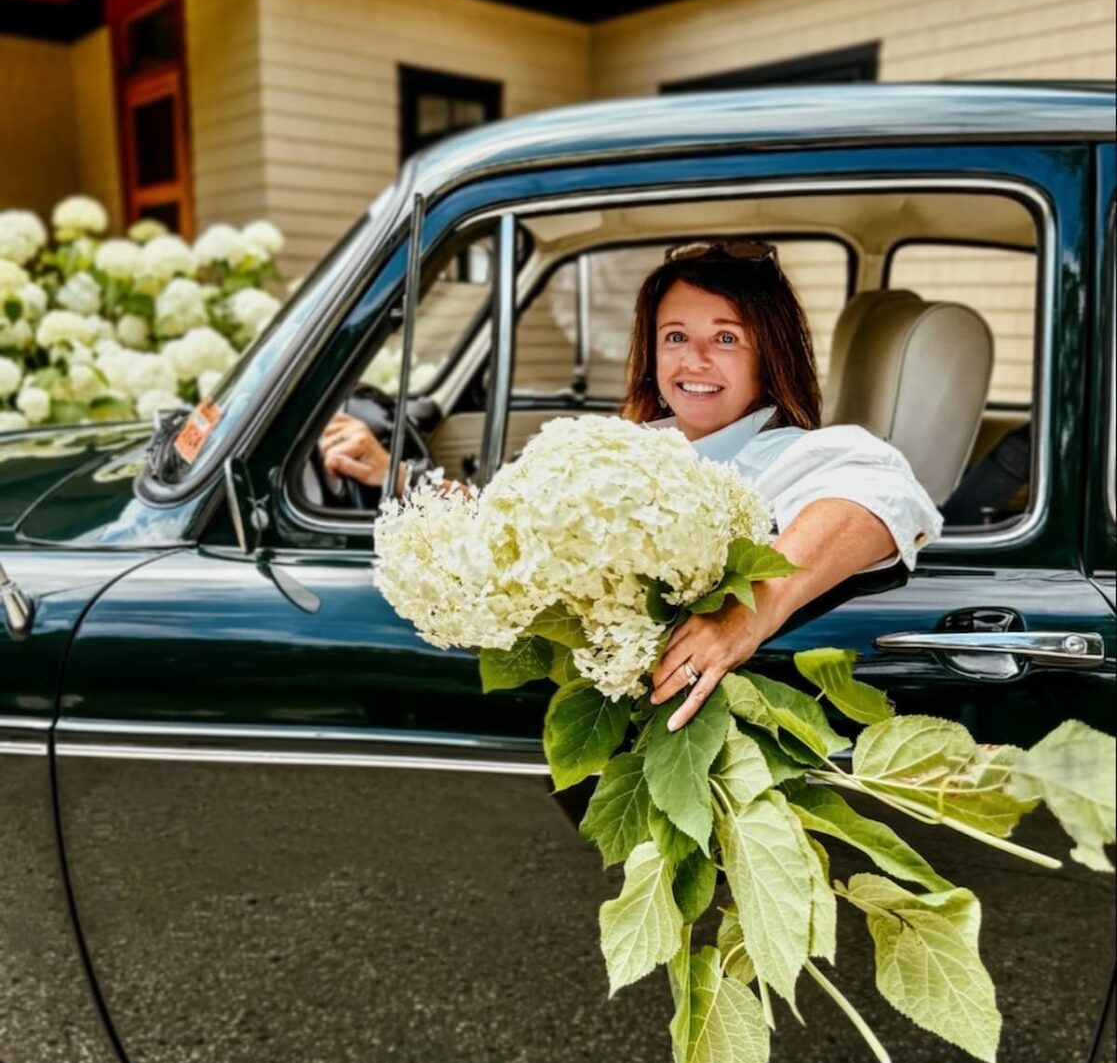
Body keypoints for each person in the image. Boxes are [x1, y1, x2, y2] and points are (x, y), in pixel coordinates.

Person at [319, 238, 942, 731]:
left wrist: (744, 615)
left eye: (725, 338)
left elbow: (879, 498)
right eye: (676, 338)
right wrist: (395, 476)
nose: (694, 360)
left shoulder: (793, 454)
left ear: (769, 355)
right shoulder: (640, 444)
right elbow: (525, 528)